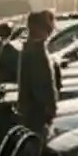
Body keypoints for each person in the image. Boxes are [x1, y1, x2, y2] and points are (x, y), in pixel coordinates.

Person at [17, 9, 59, 145]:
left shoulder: (29, 48)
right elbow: (41, 84)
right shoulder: (37, 52)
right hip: (37, 112)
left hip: (30, 110)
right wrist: (49, 108)